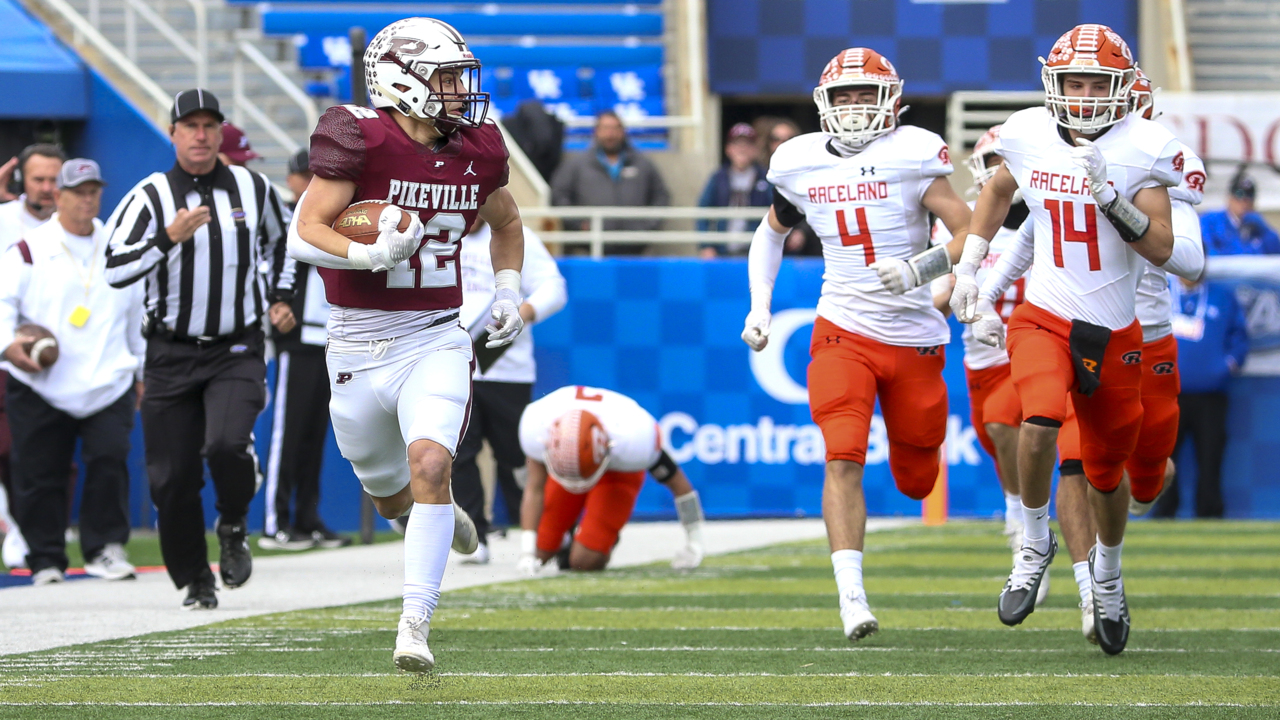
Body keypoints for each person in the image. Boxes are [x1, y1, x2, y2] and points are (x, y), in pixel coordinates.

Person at [287, 17, 526, 674]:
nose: (459, 91)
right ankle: (439, 518)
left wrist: (507, 288)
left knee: (430, 467)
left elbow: (506, 222)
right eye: (446, 77)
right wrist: (365, 250)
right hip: (355, 345)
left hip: (434, 336)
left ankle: (414, 624)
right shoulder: (359, 137)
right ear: (401, 81)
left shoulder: (477, 148)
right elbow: (302, 233)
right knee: (391, 494)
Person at [950, 25, 1183, 656]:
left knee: (1109, 477)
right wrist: (972, 267)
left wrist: (1110, 194)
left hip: (1116, 333)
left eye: (1094, 83)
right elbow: (998, 191)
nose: (1081, 96)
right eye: (1071, 82)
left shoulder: (1147, 146)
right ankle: (1031, 542)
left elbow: (1164, 248)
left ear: (1122, 88)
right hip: (1044, 316)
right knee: (1040, 417)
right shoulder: (1026, 132)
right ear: (1052, 84)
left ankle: (1106, 576)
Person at [743, 47, 973, 643]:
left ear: (890, 101)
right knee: (841, 452)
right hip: (841, 327)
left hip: (917, 337)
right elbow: (770, 235)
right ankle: (852, 596)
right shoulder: (798, 161)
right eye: (841, 95)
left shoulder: (914, 153)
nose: (851, 106)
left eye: (862, 94)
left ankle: (862, 572)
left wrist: (921, 270)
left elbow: (971, 228)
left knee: (917, 478)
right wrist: (760, 307)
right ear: (823, 103)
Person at [104, 88, 297, 610]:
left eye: (210, 125)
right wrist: (167, 239)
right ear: (172, 133)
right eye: (190, 125)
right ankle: (196, 579)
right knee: (171, 480)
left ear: (219, 133)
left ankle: (232, 521)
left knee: (227, 445)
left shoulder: (252, 188)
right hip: (169, 353)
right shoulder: (149, 196)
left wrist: (282, 295)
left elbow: (287, 243)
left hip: (236, 346)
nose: (200, 134)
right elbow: (114, 267)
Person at [0, 159, 144, 585]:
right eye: (77, 191)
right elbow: (3, 304)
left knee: (108, 462)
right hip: (41, 380)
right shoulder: (28, 248)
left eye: (93, 190)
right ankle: (45, 557)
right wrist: (9, 346)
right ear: (58, 196)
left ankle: (105, 549)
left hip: (108, 377)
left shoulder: (118, 246)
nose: (86, 198)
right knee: (39, 472)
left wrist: (140, 369)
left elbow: (137, 313)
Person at [930, 125, 1031, 548]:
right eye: (990, 162)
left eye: (1004, 162)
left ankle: (1024, 523)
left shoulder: (1043, 219)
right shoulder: (960, 226)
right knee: (994, 436)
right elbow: (936, 300)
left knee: (1001, 423)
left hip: (1030, 347)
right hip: (980, 359)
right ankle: (1022, 512)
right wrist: (949, 293)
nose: (997, 171)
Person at [453, 218, 566, 564]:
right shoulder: (436, 232)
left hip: (508, 369)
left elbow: (554, 288)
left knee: (519, 459)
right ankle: (476, 537)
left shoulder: (515, 235)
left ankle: (543, 537)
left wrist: (523, 312)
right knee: (460, 454)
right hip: (452, 365)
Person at [515, 385, 705, 574]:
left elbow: (680, 487)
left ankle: (602, 539)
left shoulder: (634, 438)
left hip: (617, 472)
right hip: (564, 468)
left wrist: (694, 542)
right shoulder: (539, 425)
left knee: (584, 562)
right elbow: (534, 488)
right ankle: (565, 537)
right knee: (540, 552)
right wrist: (527, 553)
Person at [261, 148, 348, 551]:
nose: (314, 183)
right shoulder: (285, 217)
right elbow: (272, 266)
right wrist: (278, 307)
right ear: (293, 180)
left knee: (315, 434)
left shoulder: (342, 211)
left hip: (331, 336)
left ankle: (306, 518)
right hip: (297, 337)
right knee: (288, 433)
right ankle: (276, 522)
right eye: (308, 175)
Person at [0, 144, 66, 569]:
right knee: (10, 450)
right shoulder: (5, 221)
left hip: (62, 360)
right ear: (22, 179)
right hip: (7, 353)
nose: (47, 188)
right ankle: (14, 526)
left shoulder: (81, 225)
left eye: (54, 179)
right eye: (38, 179)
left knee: (53, 457)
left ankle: (34, 533)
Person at [1152, 275, 1249, 518]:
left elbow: (1240, 336)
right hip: (1168, 394)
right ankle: (1164, 510)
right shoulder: (1160, 292)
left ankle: (1209, 512)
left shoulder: (1221, 296)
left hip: (1210, 395)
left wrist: (1228, 364)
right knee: (1164, 456)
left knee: (1210, 456)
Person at [550, 110, 670, 255]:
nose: (610, 134)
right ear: (596, 132)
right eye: (605, 128)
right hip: (590, 251)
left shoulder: (643, 164)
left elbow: (661, 196)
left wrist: (646, 226)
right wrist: (579, 224)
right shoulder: (576, 165)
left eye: (615, 128)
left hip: (635, 251)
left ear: (623, 131)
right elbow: (559, 195)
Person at [696, 123, 773, 258]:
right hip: (723, 249)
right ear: (728, 149)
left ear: (755, 149)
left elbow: (778, 209)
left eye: (747, 145)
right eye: (737, 144)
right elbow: (703, 210)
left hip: (757, 250)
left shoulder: (766, 177)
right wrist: (706, 245)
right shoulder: (719, 177)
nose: (742, 149)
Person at [1199, 171, 1280, 256]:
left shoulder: (1257, 226)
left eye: (1249, 199)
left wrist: (1266, 231)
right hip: (1224, 268)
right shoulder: (1210, 221)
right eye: (1239, 197)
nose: (1244, 203)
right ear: (1230, 198)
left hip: (1256, 269)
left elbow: (1276, 255)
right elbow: (1208, 252)